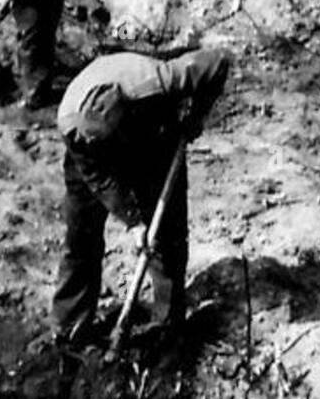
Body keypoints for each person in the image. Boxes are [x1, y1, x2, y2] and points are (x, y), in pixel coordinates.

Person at [52, 48, 231, 347]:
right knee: (81, 234)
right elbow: (100, 179)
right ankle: (70, 324)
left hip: (154, 138)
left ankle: (167, 323)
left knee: (167, 237)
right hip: (93, 157)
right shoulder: (73, 127)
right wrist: (134, 223)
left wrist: (196, 115)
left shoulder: (159, 82)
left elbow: (218, 61)